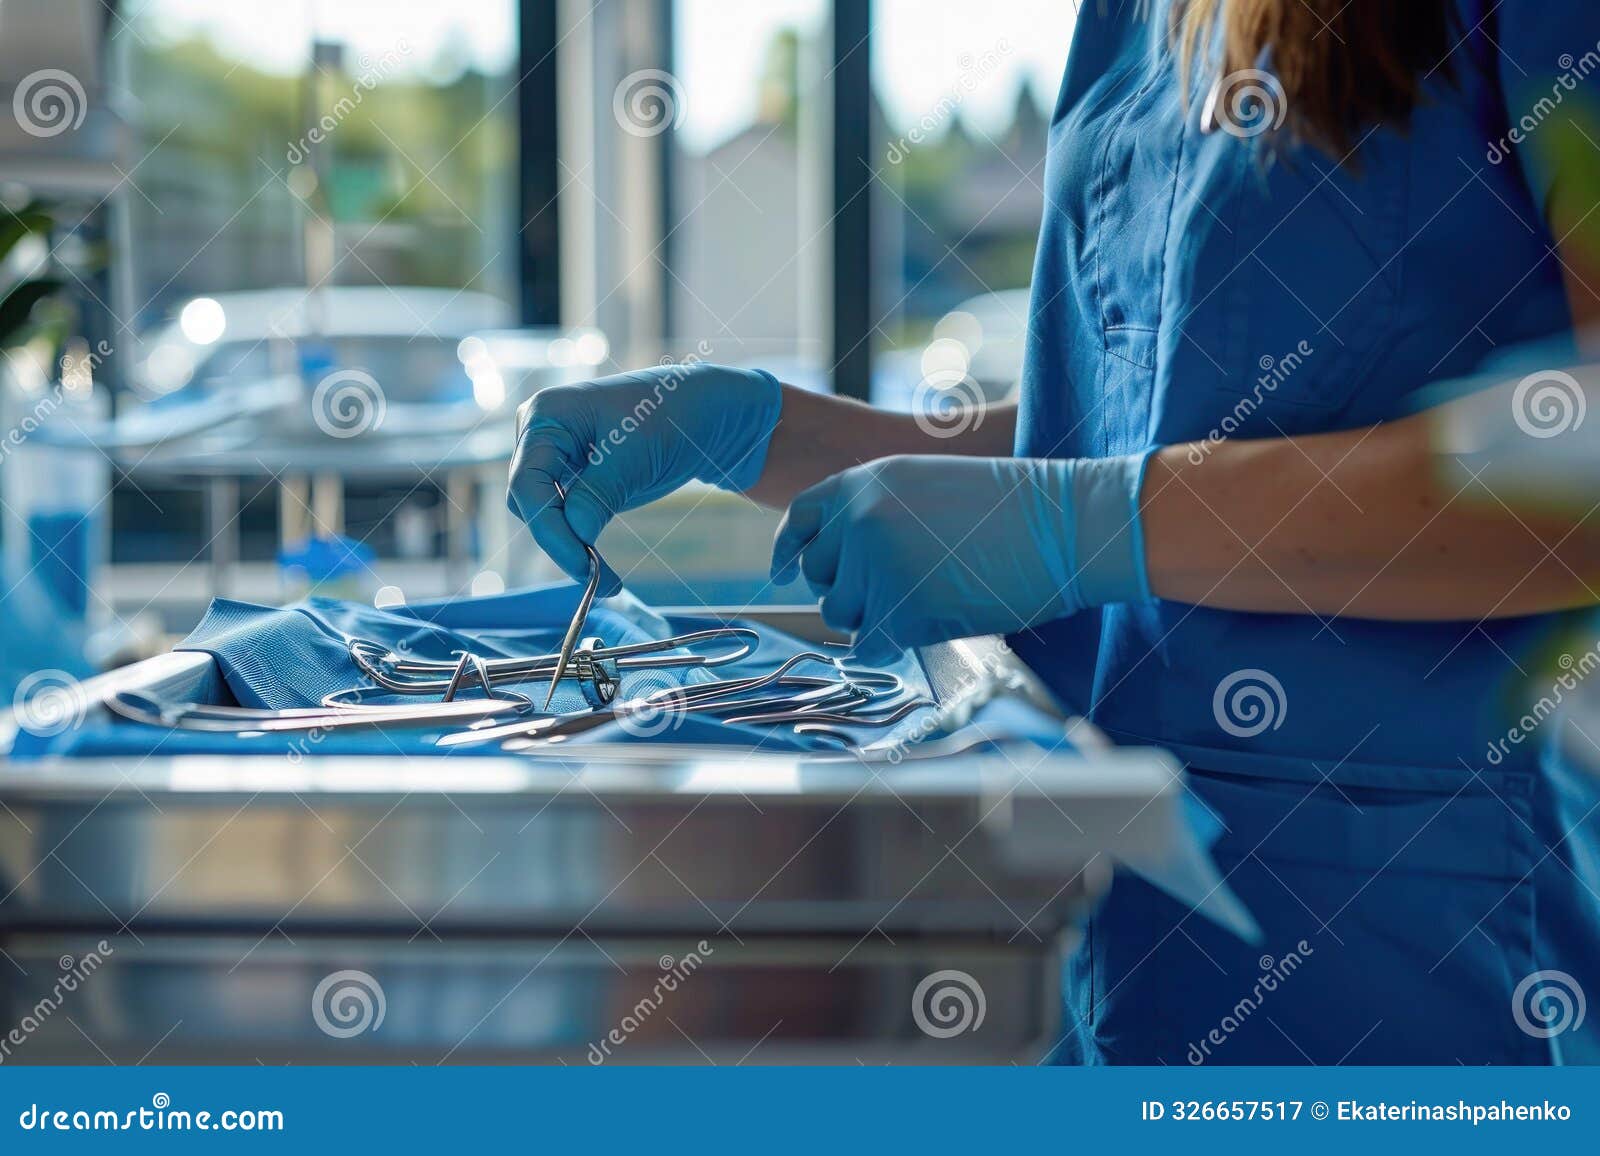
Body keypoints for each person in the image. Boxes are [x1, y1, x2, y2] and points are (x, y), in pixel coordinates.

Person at [510, 0, 1600, 1064]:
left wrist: (1082, 525)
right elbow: (1124, 423)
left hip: (1427, 947)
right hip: (1116, 927)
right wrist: (767, 434)